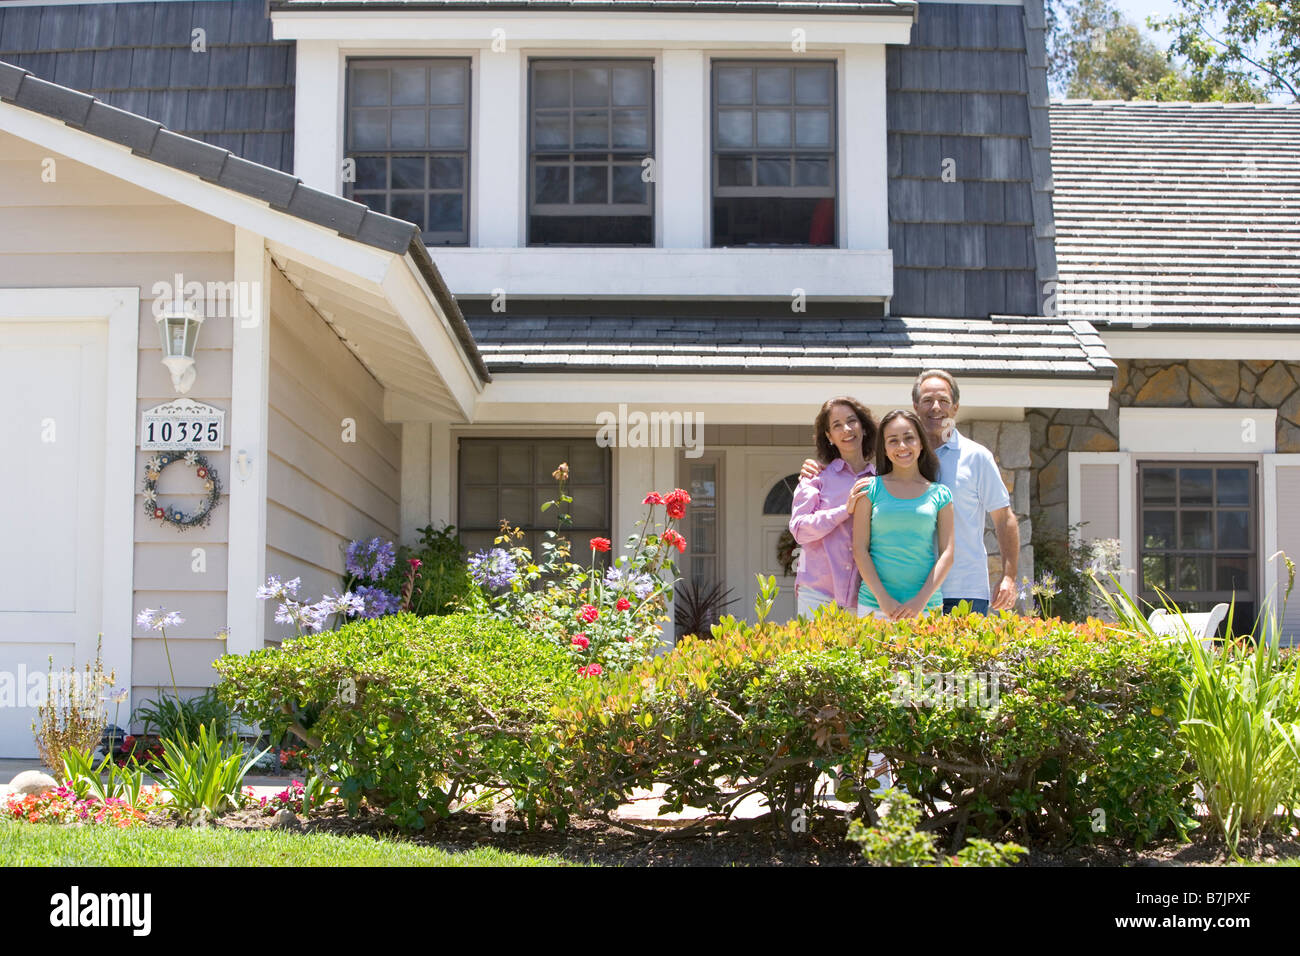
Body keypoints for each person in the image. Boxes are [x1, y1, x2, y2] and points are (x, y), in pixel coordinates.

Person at [802, 369, 1021, 614]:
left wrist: (1009, 577)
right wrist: (819, 470)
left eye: (943, 401)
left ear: (956, 407)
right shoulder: (897, 458)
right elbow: (856, 469)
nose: (935, 407)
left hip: (964, 590)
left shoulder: (977, 457)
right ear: (916, 406)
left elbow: (1004, 518)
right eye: (927, 400)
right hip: (900, 596)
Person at [851, 409, 954, 619]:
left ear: (921, 443)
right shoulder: (869, 489)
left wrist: (920, 602)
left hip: (925, 608)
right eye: (893, 441)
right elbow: (859, 549)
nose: (902, 446)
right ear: (885, 449)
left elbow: (947, 553)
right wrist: (883, 599)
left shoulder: (941, 494)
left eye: (909, 438)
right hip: (875, 606)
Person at [788, 397, 876, 616]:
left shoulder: (882, 482)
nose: (846, 429)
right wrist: (845, 510)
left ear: (863, 427)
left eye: (851, 421)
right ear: (829, 437)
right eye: (837, 425)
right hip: (817, 594)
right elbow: (800, 530)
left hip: (864, 598)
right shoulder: (816, 478)